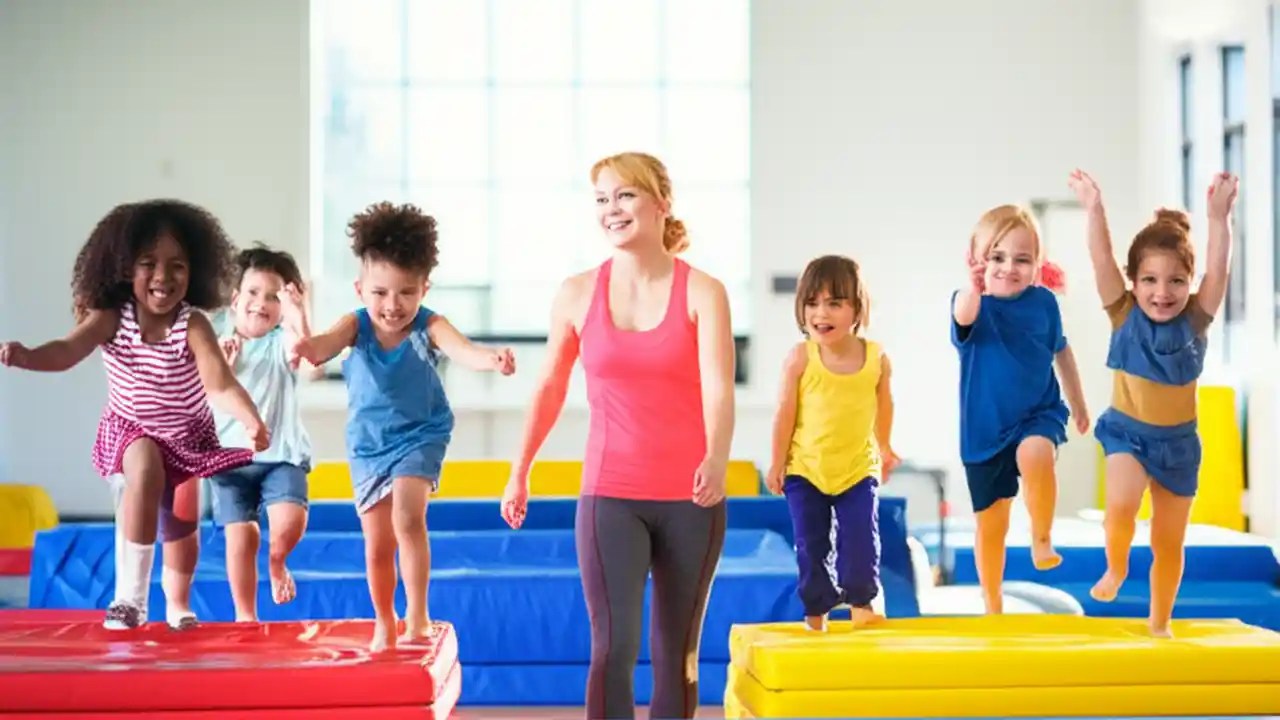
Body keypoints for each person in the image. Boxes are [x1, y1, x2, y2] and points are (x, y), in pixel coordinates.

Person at [500, 151, 736, 720]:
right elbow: (550, 388)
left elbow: (719, 389)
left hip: (691, 498)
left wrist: (718, 459)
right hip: (611, 495)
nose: (612, 209)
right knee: (613, 649)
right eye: (602, 199)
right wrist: (520, 470)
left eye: (625, 195)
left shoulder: (705, 292)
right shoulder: (577, 292)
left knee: (676, 654)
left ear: (661, 203)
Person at [0, 200, 268, 630]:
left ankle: (178, 603)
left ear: (193, 271)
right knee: (143, 472)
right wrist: (30, 357)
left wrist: (250, 418)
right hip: (133, 428)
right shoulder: (111, 317)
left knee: (181, 526)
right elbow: (69, 350)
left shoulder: (193, 324)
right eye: (149, 264)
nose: (163, 277)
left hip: (187, 435)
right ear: (126, 269)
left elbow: (219, 383)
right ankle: (130, 599)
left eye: (177, 266)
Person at [294, 201, 516, 652]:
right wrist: (303, 340)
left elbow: (462, 349)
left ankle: (418, 615)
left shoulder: (429, 325)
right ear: (360, 289)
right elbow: (320, 348)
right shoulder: (354, 326)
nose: (393, 306)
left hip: (421, 434)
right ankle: (384, 620)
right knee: (377, 545)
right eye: (380, 293)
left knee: (407, 518)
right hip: (369, 446)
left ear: (424, 288)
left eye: (406, 293)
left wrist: (491, 359)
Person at [1069, 168, 1238, 638]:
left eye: (1176, 281)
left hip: (1179, 446)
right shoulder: (1122, 313)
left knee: (1169, 541)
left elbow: (1219, 269)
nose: (1162, 292)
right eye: (1149, 280)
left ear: (1189, 282)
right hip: (1128, 432)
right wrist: (1094, 209)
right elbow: (1100, 257)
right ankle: (1116, 567)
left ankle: (1160, 622)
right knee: (1120, 505)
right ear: (1134, 281)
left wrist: (1219, 218)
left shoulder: (1196, 320)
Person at [952, 204, 1089, 614]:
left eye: (1022, 259)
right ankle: (992, 600)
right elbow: (964, 312)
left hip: (1037, 414)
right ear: (977, 261)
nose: (1009, 267)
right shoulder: (972, 304)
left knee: (1036, 453)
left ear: (1038, 264)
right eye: (997, 257)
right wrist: (974, 285)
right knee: (991, 525)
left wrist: (1078, 403)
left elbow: (1062, 352)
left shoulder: (1044, 303)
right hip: (984, 430)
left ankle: (1042, 536)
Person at [765, 254, 900, 632]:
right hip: (806, 469)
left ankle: (862, 606)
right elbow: (784, 413)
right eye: (812, 303)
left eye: (834, 303)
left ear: (857, 309)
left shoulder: (876, 357)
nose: (821, 313)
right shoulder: (801, 357)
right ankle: (816, 616)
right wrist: (777, 464)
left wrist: (885, 446)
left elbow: (884, 404)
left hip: (857, 468)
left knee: (860, 544)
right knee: (811, 546)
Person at [209, 244, 313, 621]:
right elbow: (205, 393)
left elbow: (308, 355)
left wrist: (300, 314)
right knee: (240, 539)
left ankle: (277, 560)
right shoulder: (217, 343)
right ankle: (245, 615)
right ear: (236, 299)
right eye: (253, 293)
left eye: (273, 297)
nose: (261, 303)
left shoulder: (280, 342)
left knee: (289, 522)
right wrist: (224, 368)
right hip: (228, 459)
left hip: (280, 456)